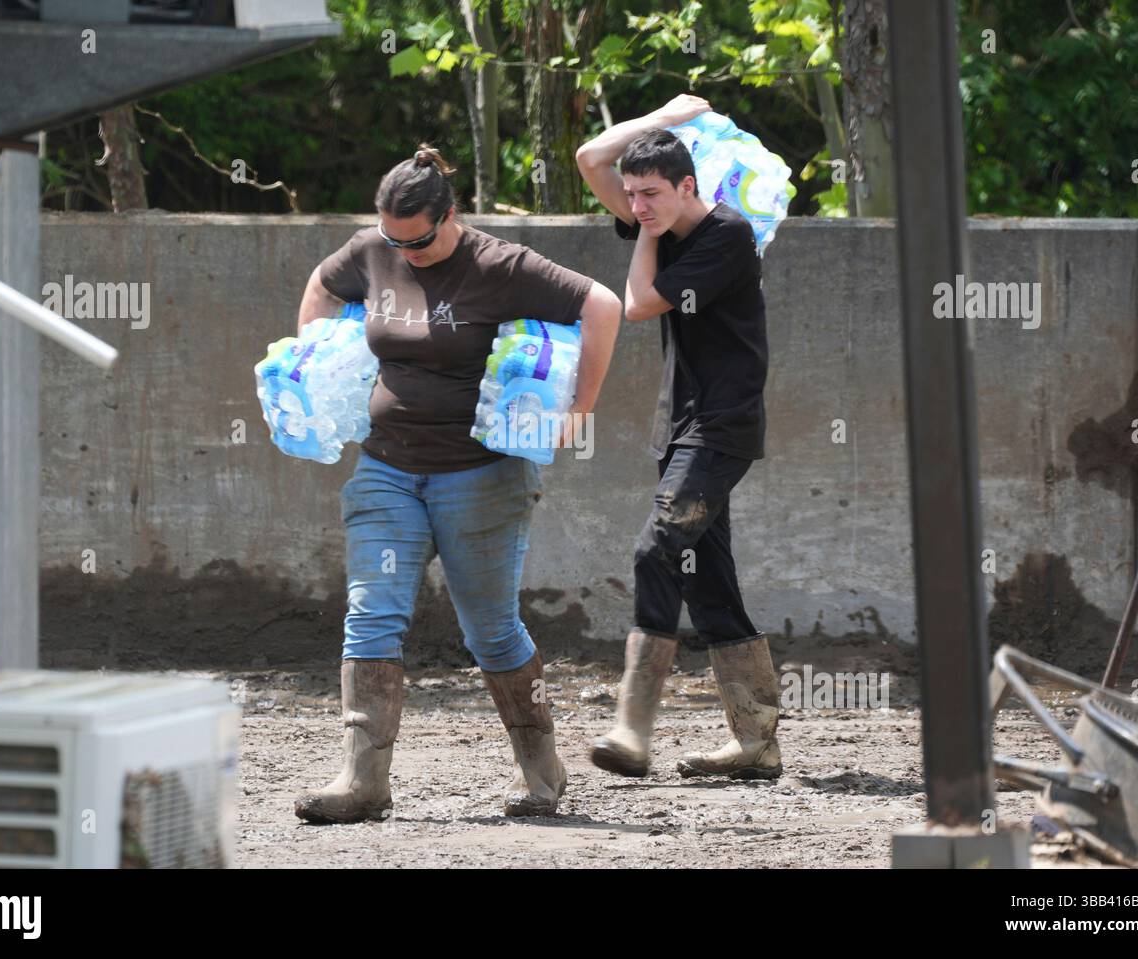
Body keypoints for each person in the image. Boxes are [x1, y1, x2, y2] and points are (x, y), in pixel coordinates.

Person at [292, 144, 622, 822]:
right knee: (372, 612)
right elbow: (323, 286)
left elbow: (602, 303)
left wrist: (577, 410)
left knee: (492, 631)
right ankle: (363, 781)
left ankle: (542, 776)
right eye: (393, 239)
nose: (403, 252)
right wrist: (315, 362)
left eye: (417, 241)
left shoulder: (501, 266)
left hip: (479, 477)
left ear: (449, 216)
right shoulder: (372, 251)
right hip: (387, 469)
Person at [575, 95, 782, 780]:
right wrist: (662, 115)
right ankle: (756, 743)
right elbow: (589, 158)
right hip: (680, 427)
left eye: (652, 195)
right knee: (711, 582)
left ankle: (632, 726)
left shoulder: (727, 233)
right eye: (631, 196)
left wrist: (642, 234)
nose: (637, 206)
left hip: (721, 427)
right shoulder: (658, 222)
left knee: (655, 551)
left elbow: (637, 306)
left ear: (689, 186)